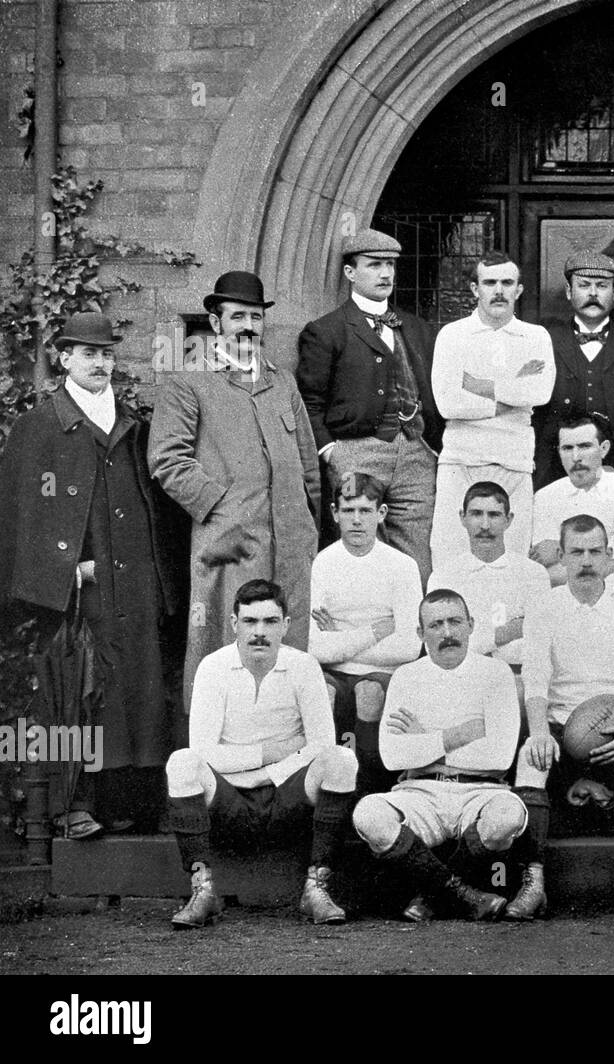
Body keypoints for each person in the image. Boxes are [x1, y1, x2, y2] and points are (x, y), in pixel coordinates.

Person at [0, 312, 181, 836]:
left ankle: (140, 803)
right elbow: (21, 514)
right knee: (80, 690)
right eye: (88, 354)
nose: (100, 363)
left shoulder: (133, 426)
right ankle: (74, 803)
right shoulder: (38, 428)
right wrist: (63, 569)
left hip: (138, 585)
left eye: (106, 354)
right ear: (64, 359)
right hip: (80, 591)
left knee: (142, 689)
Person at [149, 271, 320, 710]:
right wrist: (224, 510)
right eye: (238, 316)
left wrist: (309, 521)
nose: (249, 326)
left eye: (256, 317)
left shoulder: (282, 383)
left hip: (291, 548)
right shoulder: (189, 381)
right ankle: (220, 760)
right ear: (216, 321)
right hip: (229, 548)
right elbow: (167, 459)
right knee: (224, 657)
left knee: (290, 656)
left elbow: (307, 462)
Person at [164, 580, 358, 928]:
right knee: (181, 763)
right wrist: (271, 751)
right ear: (234, 624)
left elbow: (322, 745)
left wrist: (267, 774)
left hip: (289, 802)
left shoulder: (303, 666)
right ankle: (202, 889)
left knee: (341, 760)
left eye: (270, 621)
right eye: (250, 621)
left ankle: (316, 887)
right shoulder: (212, 666)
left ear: (285, 625)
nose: (260, 632)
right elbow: (203, 751)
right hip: (229, 804)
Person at [508, 515, 614, 920]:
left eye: (594, 551)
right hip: (565, 728)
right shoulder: (544, 605)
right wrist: (540, 732)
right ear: (561, 556)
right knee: (530, 760)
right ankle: (533, 883)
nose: (585, 561)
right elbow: (536, 675)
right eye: (576, 552)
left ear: (609, 556)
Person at [351, 589, 526, 922]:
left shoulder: (496, 673)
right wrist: (462, 733)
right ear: (420, 633)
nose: (447, 633)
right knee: (369, 815)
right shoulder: (406, 676)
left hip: (481, 790)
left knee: (507, 817)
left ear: (471, 625)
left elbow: (500, 756)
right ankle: (459, 893)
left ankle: (432, 895)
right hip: (421, 792)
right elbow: (393, 758)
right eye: (436, 625)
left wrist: (424, 741)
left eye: (455, 621)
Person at [296, 228, 443, 588]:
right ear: (350, 272)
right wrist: (333, 452)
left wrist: (430, 448)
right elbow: (308, 402)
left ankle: (412, 637)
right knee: (359, 556)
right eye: (375, 265)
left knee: (418, 558)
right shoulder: (326, 331)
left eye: (391, 265)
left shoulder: (418, 328)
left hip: (415, 454)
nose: (386, 274)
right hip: (356, 452)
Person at [429, 250, 556, 555]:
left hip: (514, 461)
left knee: (512, 561)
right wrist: (512, 393)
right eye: (489, 282)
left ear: (519, 289)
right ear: (475, 289)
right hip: (461, 461)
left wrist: (476, 385)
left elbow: (539, 394)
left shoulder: (535, 336)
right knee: (451, 556)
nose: (498, 291)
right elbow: (448, 403)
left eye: (507, 282)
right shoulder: (453, 335)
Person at [308, 473, 422, 794]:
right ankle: (330, 792)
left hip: (381, 673)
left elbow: (409, 646)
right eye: (348, 511)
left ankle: (368, 787)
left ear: (381, 514)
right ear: (334, 513)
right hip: (335, 673)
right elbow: (315, 647)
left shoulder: (402, 565)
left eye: (365, 511)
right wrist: (375, 630)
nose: (356, 520)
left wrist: (341, 638)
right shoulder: (324, 563)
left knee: (369, 692)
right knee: (322, 692)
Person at [533, 250, 614, 488]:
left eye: (602, 286)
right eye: (584, 285)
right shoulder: (545, 341)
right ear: (568, 291)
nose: (593, 293)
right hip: (554, 466)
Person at [425, 482, 550, 687]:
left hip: (520, 679)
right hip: (461, 678)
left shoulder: (533, 573)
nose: (485, 526)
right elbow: (441, 645)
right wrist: (508, 632)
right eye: (476, 514)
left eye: (493, 515)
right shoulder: (444, 577)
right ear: (462, 518)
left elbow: (540, 643)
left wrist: (476, 640)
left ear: (508, 520)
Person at [529, 415, 614, 585]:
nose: (576, 457)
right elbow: (547, 566)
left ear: (604, 449)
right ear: (559, 453)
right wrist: (610, 561)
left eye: (585, 446)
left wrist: (561, 548)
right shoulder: (545, 496)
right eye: (567, 448)